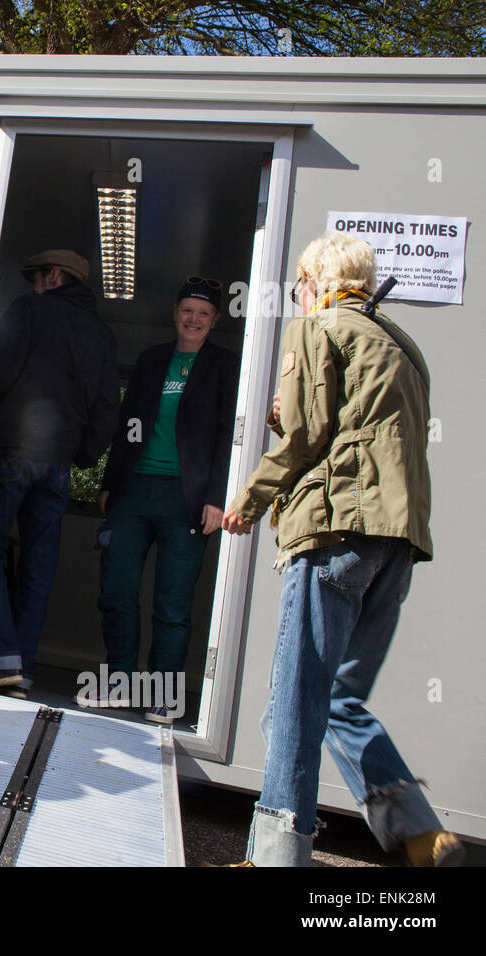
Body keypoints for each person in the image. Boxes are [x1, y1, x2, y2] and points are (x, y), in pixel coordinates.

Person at [222, 232, 463, 867]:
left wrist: (247, 502)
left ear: (316, 280)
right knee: (332, 700)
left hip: (336, 533)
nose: (300, 294)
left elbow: (308, 435)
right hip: (398, 543)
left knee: (297, 704)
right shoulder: (402, 345)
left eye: (303, 283)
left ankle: (276, 857)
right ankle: (419, 834)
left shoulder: (321, 326)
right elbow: (362, 429)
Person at [0, 249, 118, 696]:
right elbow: (108, 407)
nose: (32, 286)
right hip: (58, 466)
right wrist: (80, 454)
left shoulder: (29, 310)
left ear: (52, 276)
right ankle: (22, 668)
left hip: (11, 451)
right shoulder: (102, 335)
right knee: (39, 563)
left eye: (36, 277)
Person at [88, 277, 238, 723]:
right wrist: (110, 484)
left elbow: (229, 434)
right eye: (187, 310)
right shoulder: (153, 360)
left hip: (187, 498)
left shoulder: (226, 366)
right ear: (176, 312)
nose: (194, 320)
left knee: (172, 603)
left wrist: (217, 496)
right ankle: (118, 684)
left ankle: (162, 696)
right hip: (135, 490)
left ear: (214, 322)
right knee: (116, 590)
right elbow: (127, 422)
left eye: (204, 314)